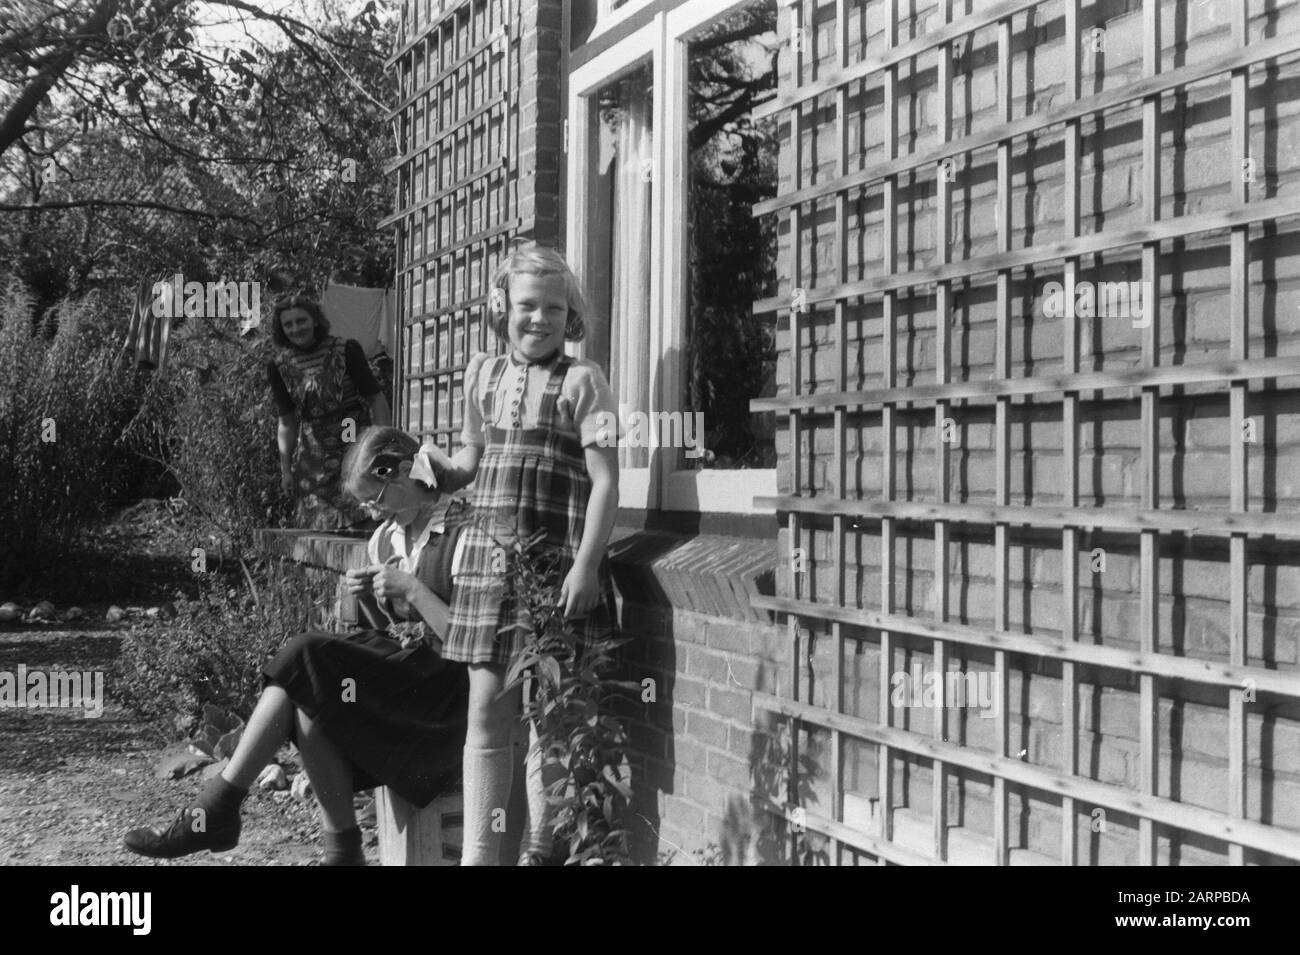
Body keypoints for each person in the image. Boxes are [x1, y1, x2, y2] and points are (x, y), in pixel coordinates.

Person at [123, 427, 470, 866]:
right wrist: (373, 601)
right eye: (365, 503)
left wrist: (414, 590)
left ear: (403, 473)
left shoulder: (461, 532)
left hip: (447, 699)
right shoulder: (386, 539)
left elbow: (474, 642)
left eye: (376, 498)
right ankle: (340, 852)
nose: (372, 510)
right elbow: (390, 632)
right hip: (407, 685)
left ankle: (218, 810)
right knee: (308, 700)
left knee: (305, 653)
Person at [437, 242, 621, 866]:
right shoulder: (479, 375)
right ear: (501, 307)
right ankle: (480, 856)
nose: (537, 318)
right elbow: (469, 460)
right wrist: (428, 466)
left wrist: (588, 565)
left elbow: (606, 482)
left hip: (556, 570)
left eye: (552, 308)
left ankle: (541, 851)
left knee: (552, 712)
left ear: (570, 316)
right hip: (489, 567)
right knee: (486, 709)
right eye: (525, 305)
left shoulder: (584, 380)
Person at [268, 293, 392, 530]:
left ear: (314, 320)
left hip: (350, 432)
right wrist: (286, 470)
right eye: (288, 324)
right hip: (312, 452)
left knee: (360, 506)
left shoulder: (346, 350)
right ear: (281, 328)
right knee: (318, 522)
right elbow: (286, 421)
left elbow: (375, 398)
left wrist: (383, 446)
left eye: (301, 320)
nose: (296, 329)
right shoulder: (279, 366)